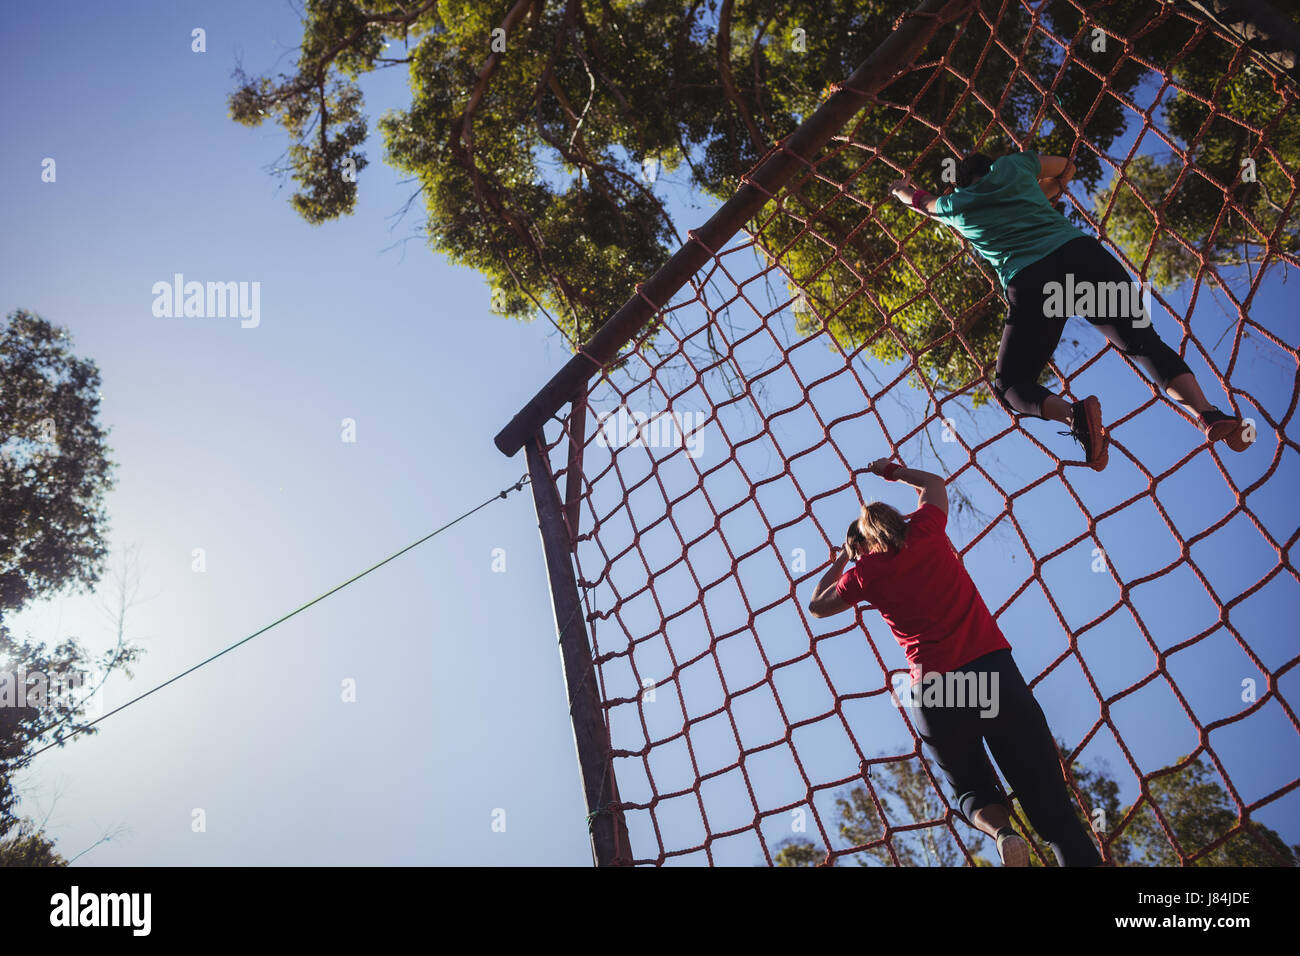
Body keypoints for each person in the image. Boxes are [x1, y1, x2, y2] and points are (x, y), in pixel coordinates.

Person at [807, 457, 1103, 867]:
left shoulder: (864, 574)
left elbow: (817, 606)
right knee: (1054, 814)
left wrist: (844, 559)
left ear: (861, 546)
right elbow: (931, 483)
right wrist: (893, 471)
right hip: (991, 673)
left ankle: (1003, 835)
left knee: (972, 790)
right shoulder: (926, 530)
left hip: (935, 690)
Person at [888, 151, 1250, 470]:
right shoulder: (1015, 166)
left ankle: (1075, 415)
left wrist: (901, 187)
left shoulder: (956, 206)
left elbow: (919, 201)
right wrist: (1037, 193)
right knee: (1142, 343)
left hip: (1034, 283)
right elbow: (1065, 169)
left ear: (961, 183)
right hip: (1081, 255)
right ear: (992, 166)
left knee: (1011, 384)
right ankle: (1207, 413)